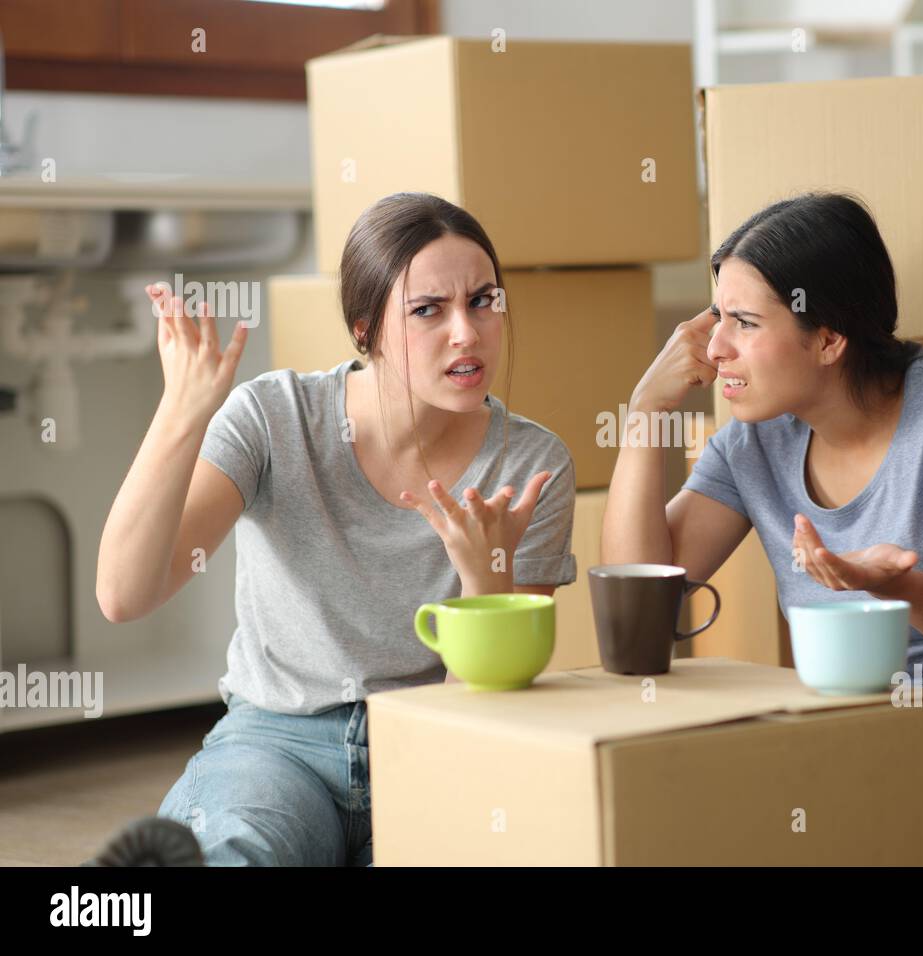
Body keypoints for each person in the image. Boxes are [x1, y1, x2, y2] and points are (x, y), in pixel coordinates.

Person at [96, 192, 577, 865]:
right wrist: (181, 415)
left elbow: (486, 707)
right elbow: (125, 593)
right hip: (277, 744)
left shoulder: (531, 464)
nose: (467, 332)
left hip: (432, 740)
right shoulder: (274, 417)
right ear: (365, 330)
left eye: (484, 301)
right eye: (427, 311)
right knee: (240, 850)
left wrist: (485, 582)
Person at [603, 192, 923, 865]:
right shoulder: (753, 443)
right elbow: (638, 608)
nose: (715, 346)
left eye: (746, 323)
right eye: (717, 316)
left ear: (828, 339)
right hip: (836, 736)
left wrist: (900, 588)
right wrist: (645, 411)